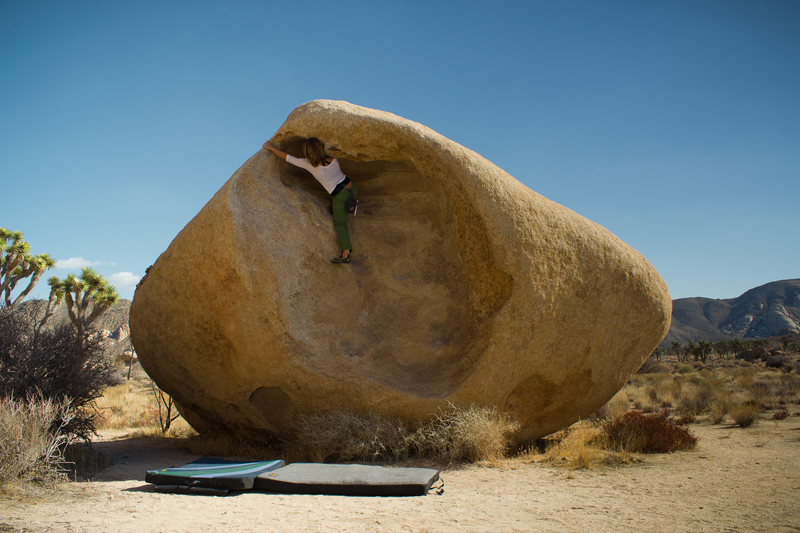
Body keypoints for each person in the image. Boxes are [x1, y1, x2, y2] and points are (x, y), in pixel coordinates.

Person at [262, 138, 357, 264]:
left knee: (340, 224)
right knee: (336, 203)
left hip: (341, 196)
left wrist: (271, 148)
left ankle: (345, 255)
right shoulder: (332, 159)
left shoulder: (307, 163)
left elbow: (287, 157)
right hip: (352, 187)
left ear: (307, 153)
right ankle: (339, 207)